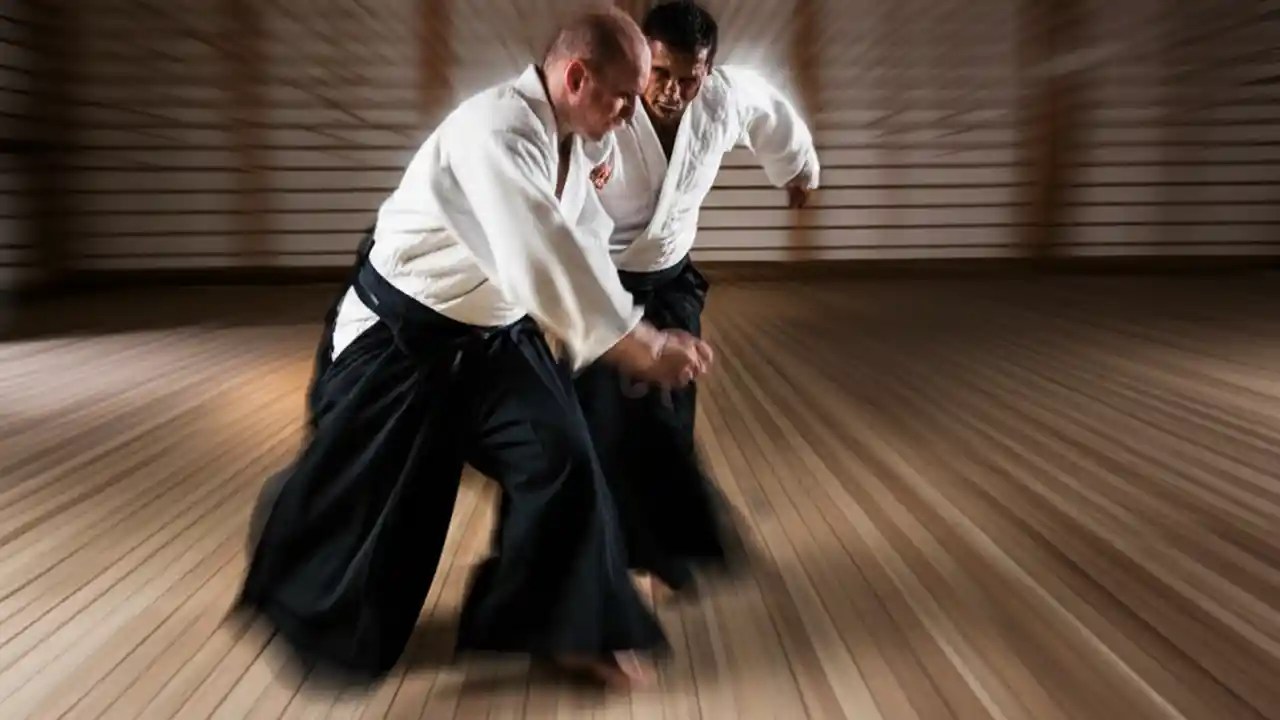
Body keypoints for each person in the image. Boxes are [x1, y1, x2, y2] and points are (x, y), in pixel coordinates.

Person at [238, 9, 715, 689]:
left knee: (561, 457)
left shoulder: (575, 136)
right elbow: (541, 255)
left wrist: (645, 328)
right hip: (402, 342)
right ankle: (295, 532)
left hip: (497, 339)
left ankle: (566, 628)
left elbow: (581, 241)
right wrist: (636, 348)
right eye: (625, 97)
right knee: (372, 509)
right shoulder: (494, 130)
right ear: (576, 76)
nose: (633, 112)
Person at [574, 0, 820, 596]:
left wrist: (797, 168)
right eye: (661, 74)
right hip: (602, 282)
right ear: (642, 59)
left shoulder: (724, 99)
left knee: (671, 412)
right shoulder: (608, 105)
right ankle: (596, 551)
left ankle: (663, 550)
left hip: (671, 278)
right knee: (594, 419)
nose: (674, 91)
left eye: (690, 78)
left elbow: (769, 111)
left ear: (708, 70)